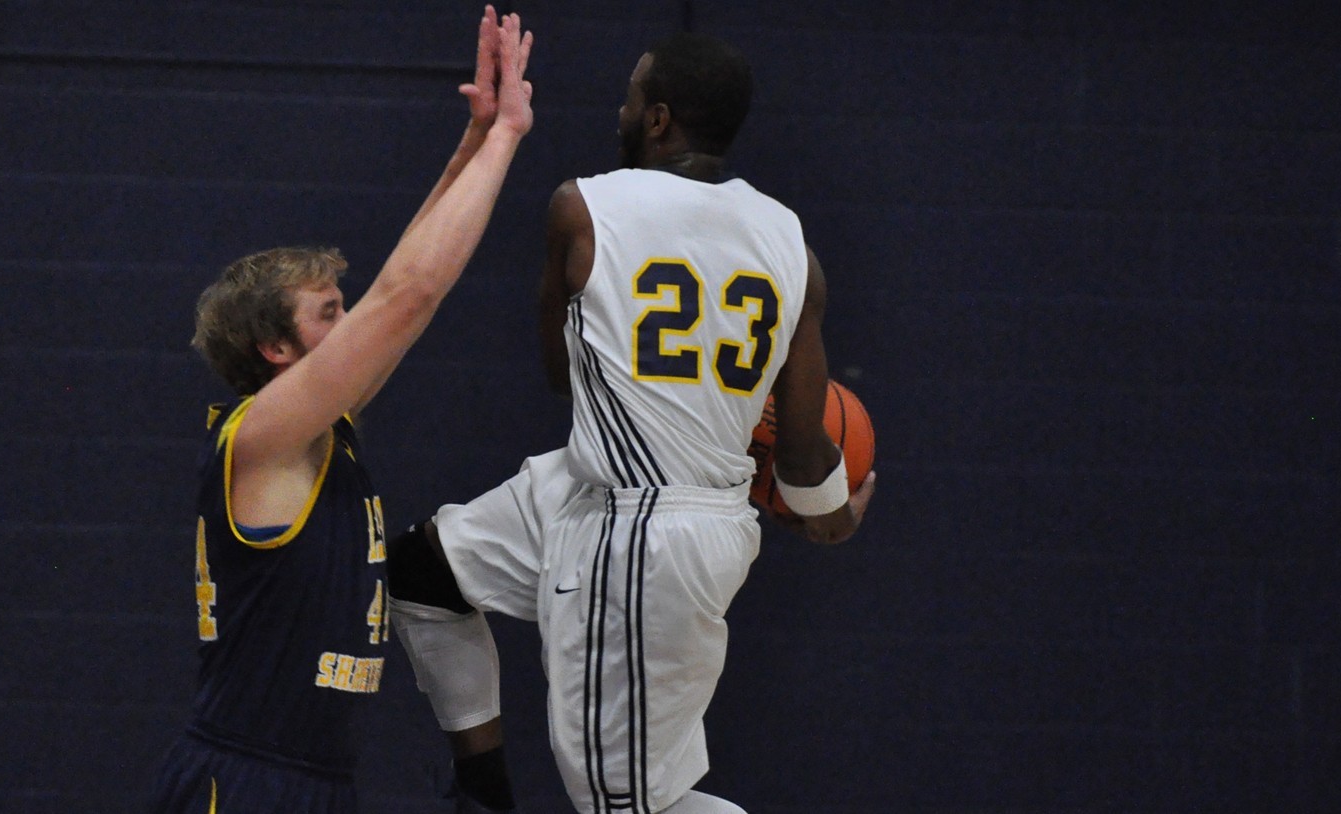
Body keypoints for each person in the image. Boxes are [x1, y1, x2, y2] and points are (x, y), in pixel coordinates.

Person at [386, 32, 876, 814]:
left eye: (628, 96)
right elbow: (808, 445)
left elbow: (559, 372)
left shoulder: (582, 206)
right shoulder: (793, 244)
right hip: (605, 491)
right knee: (419, 572)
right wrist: (827, 519)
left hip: (642, 528)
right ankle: (482, 793)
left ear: (656, 120)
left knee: (626, 808)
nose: (616, 108)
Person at [147, 8, 534, 813]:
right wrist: (506, 142)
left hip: (314, 783)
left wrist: (473, 138)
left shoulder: (326, 427)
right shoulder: (263, 437)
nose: (348, 322)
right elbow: (409, 294)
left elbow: (404, 282)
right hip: (245, 781)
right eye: (328, 313)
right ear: (276, 351)